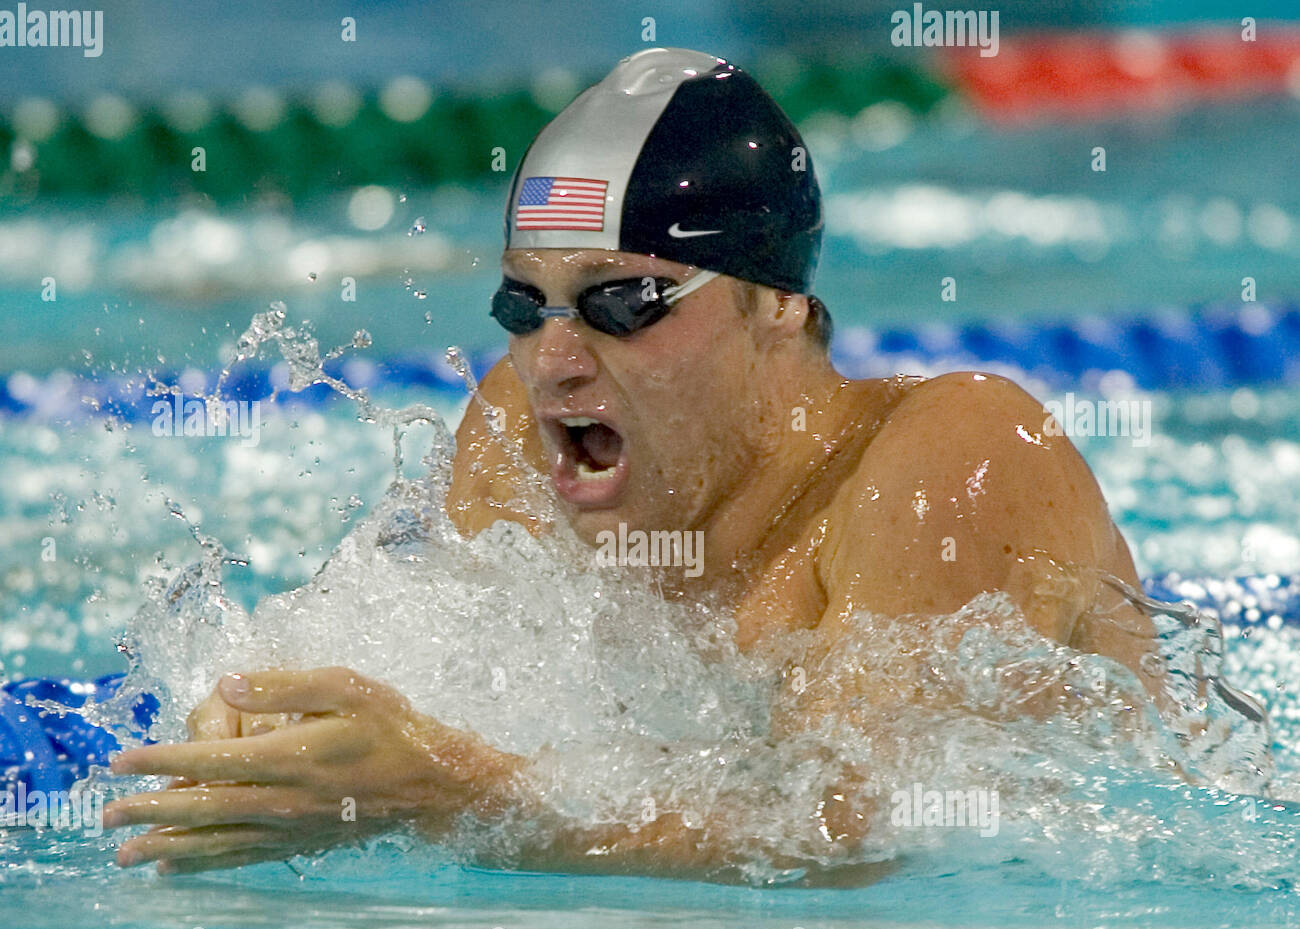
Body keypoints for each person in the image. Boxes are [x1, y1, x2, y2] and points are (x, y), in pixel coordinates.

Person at [106, 48, 1151, 878]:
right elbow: (436, 688)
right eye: (526, 305)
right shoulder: (518, 428)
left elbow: (852, 836)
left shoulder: (947, 458)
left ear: (776, 301)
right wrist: (272, 733)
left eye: (623, 303)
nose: (553, 361)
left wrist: (457, 794)